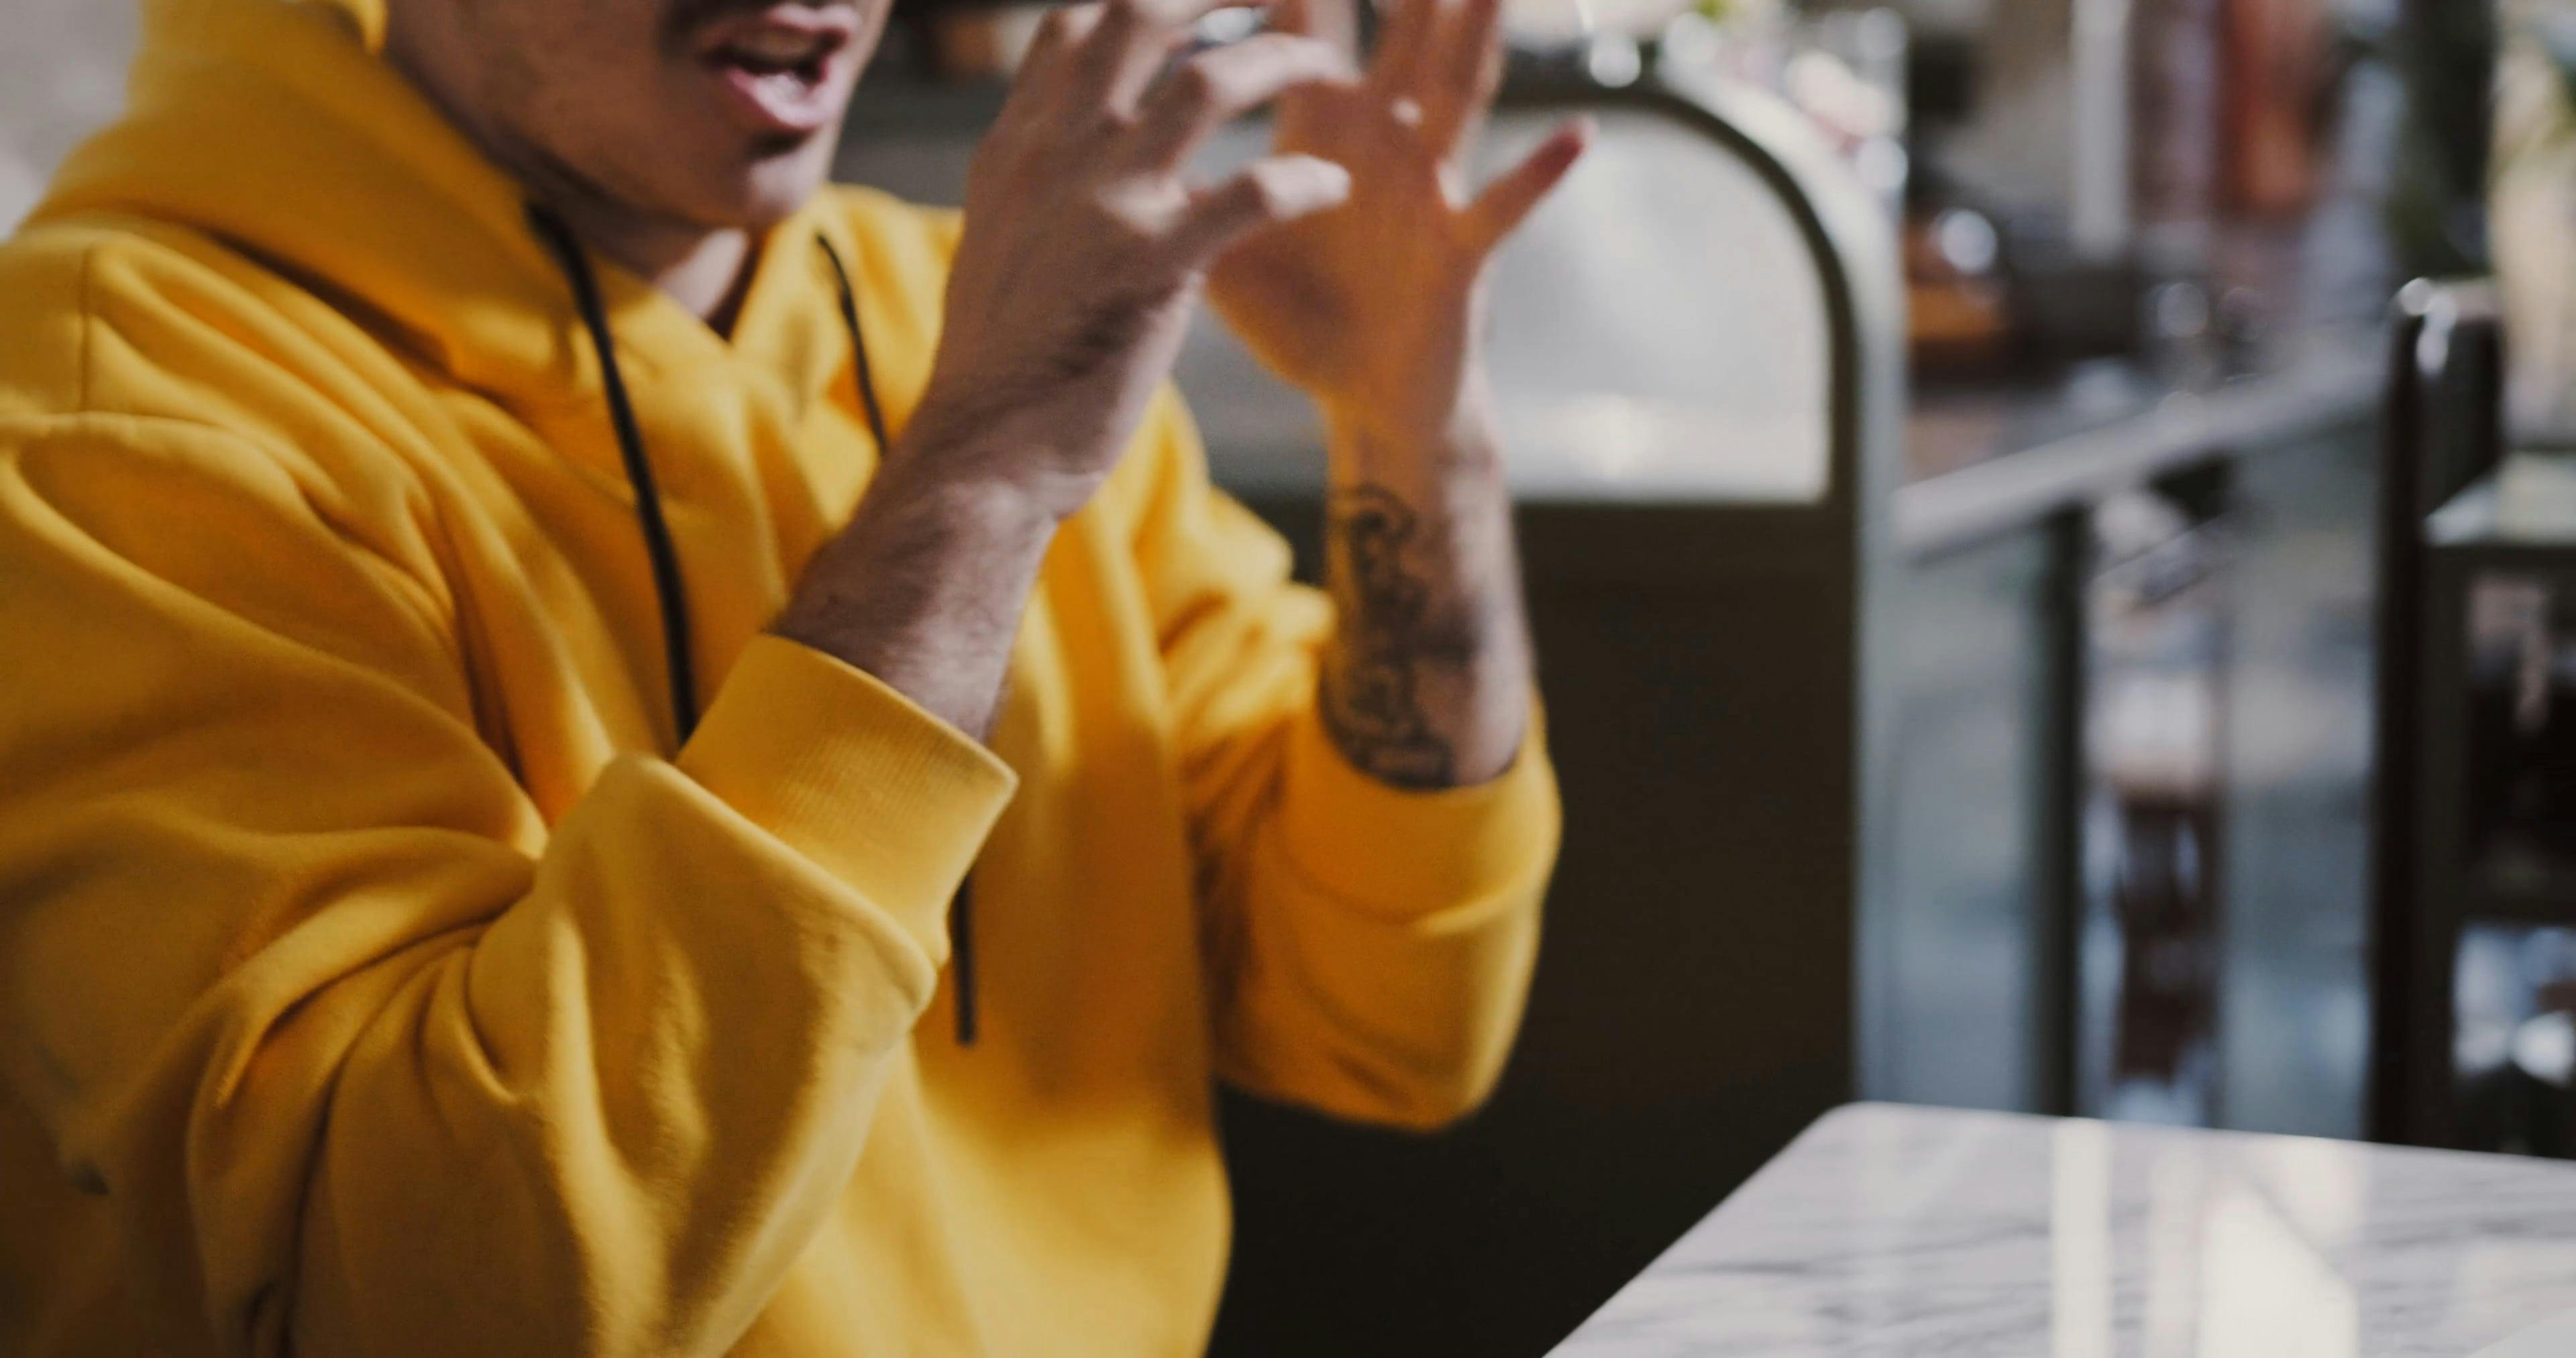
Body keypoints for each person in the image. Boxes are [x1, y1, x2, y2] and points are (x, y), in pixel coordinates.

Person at [0, 0, 1583, 1349]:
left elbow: (1390, 1012)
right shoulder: (112, 395)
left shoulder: (950, 316)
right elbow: (436, 1288)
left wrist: (1409, 425)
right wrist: (977, 481)